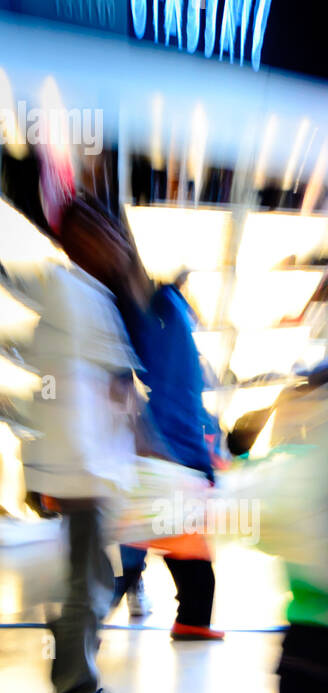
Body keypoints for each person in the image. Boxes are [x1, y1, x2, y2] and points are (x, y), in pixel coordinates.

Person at [22, 199, 140, 693]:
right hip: (84, 471)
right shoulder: (72, 295)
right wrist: (92, 472)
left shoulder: (87, 294)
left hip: (87, 469)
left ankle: (74, 685)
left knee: (87, 580)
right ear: (83, 239)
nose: (118, 243)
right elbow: (69, 392)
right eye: (108, 233)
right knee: (87, 585)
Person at [102, 229, 225, 640]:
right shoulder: (166, 313)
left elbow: (175, 390)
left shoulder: (162, 315)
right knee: (186, 557)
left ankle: (152, 602)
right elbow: (174, 394)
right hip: (175, 455)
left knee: (166, 547)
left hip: (172, 452)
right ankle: (187, 620)